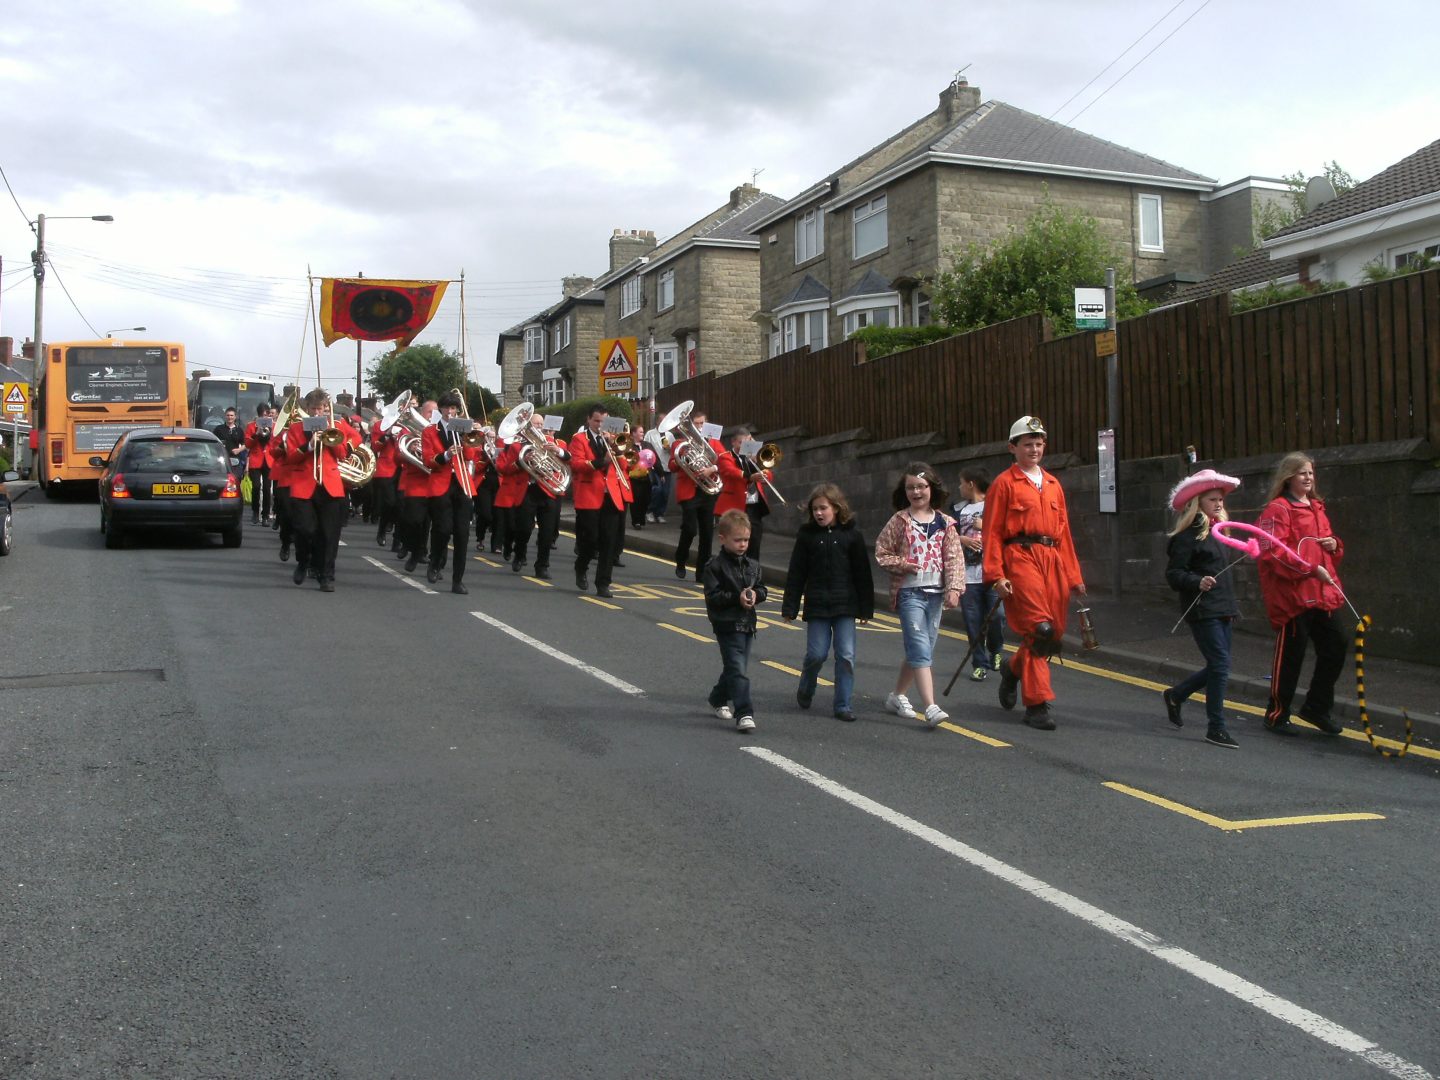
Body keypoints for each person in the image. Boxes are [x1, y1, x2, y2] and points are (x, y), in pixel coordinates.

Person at [982, 417, 1086, 731]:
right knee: (1039, 630)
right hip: (1020, 558)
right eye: (1028, 444)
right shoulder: (1004, 483)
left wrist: (1073, 575)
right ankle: (1037, 704)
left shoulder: (1053, 484)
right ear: (1013, 448)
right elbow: (992, 533)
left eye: (1039, 443)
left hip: (1052, 559)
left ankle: (1012, 670)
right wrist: (995, 575)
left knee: (1052, 634)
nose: (1034, 449)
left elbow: (1064, 534)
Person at [1256, 452, 1347, 736]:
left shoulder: (1317, 507)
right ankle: (1277, 713)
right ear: (1288, 477)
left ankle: (1317, 707)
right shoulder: (1278, 509)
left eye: (1310, 473)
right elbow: (1271, 552)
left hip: (1322, 593)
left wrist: (1335, 545)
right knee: (1291, 656)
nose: (1308, 478)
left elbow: (1328, 549)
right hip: (1294, 596)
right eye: (1302, 473)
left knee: (1337, 645)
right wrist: (1308, 569)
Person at [874, 463, 963, 728]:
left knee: (921, 649)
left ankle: (897, 696)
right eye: (910, 487)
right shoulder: (899, 520)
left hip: (935, 596)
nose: (916, 492)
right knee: (920, 648)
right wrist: (902, 564)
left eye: (921, 486)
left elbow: (955, 559)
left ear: (931, 489)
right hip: (909, 593)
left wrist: (954, 589)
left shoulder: (945, 523)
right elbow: (881, 552)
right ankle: (931, 706)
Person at [1162, 469, 1243, 749]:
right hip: (1202, 608)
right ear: (1198, 502)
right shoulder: (1186, 537)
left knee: (1218, 665)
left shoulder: (1221, 533)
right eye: (1212, 499)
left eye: (1220, 499)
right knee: (1221, 665)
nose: (1219, 504)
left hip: (1224, 607)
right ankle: (1216, 727)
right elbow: (1174, 575)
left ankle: (1177, 695)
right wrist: (1198, 581)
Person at [781, 483, 874, 722]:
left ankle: (843, 705)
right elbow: (797, 572)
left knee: (846, 656)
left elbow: (862, 574)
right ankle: (806, 687)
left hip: (845, 605)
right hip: (818, 605)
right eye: (815, 510)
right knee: (816, 655)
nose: (819, 513)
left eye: (823, 508)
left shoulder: (852, 536)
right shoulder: (807, 535)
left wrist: (866, 608)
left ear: (836, 507)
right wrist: (790, 606)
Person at [283, 389, 359, 592]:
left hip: (330, 485)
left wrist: (329, 440)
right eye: (314, 409)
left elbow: (342, 454)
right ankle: (303, 561)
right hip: (304, 485)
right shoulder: (296, 429)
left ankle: (326, 576)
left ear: (326, 409)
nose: (318, 413)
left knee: (329, 534)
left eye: (321, 409)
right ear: (307, 409)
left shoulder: (335, 426)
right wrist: (308, 446)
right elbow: (290, 457)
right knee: (305, 529)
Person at [702, 509, 768, 733]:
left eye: (746, 540)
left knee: (736, 668)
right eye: (738, 540)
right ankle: (744, 713)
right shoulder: (714, 566)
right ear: (723, 539)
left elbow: (762, 589)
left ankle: (717, 697)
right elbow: (713, 597)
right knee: (737, 668)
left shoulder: (752, 565)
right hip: (726, 624)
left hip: (747, 623)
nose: (743, 544)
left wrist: (755, 596)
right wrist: (736, 598)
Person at [419, 390, 483, 594]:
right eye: (447, 408)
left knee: (462, 534)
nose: (450, 412)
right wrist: (446, 455)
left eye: (453, 408)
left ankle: (458, 580)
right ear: (441, 409)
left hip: (462, 484)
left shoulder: (463, 430)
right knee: (443, 529)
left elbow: (471, 455)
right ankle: (435, 563)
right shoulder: (430, 431)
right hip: (441, 484)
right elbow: (428, 460)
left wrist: (466, 439)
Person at [569, 403, 628, 598]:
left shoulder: (613, 439)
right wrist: (601, 460)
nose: (600, 425)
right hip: (588, 495)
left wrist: (616, 449)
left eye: (604, 421)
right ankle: (581, 566)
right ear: (588, 420)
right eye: (596, 421)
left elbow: (624, 465)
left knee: (609, 542)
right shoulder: (579, 439)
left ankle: (603, 583)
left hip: (610, 495)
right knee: (590, 540)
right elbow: (576, 464)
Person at [953, 468, 1005, 681]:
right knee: (972, 621)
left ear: (971, 484)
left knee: (997, 616)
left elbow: (1006, 534)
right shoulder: (957, 510)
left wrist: (986, 527)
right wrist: (961, 539)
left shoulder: (995, 506)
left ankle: (996, 649)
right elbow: (946, 537)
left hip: (992, 574)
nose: (959, 487)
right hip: (967, 575)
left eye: (961, 483)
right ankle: (979, 664)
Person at [671, 407, 723, 580]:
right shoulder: (680, 443)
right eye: (696, 424)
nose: (699, 427)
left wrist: (712, 469)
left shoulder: (714, 442)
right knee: (690, 529)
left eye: (702, 423)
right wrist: (684, 458)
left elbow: (725, 460)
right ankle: (681, 559)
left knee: (707, 533)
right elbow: (672, 465)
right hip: (689, 492)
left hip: (707, 492)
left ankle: (702, 571)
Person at [243, 403, 275, 525]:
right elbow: (247, 444)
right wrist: (256, 433)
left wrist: (270, 431)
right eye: (262, 414)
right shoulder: (251, 426)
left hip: (268, 459)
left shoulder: (274, 425)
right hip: (256, 459)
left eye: (266, 414)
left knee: (267, 488)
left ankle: (265, 515)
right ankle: (255, 512)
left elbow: (274, 442)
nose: (265, 416)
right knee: (256, 487)